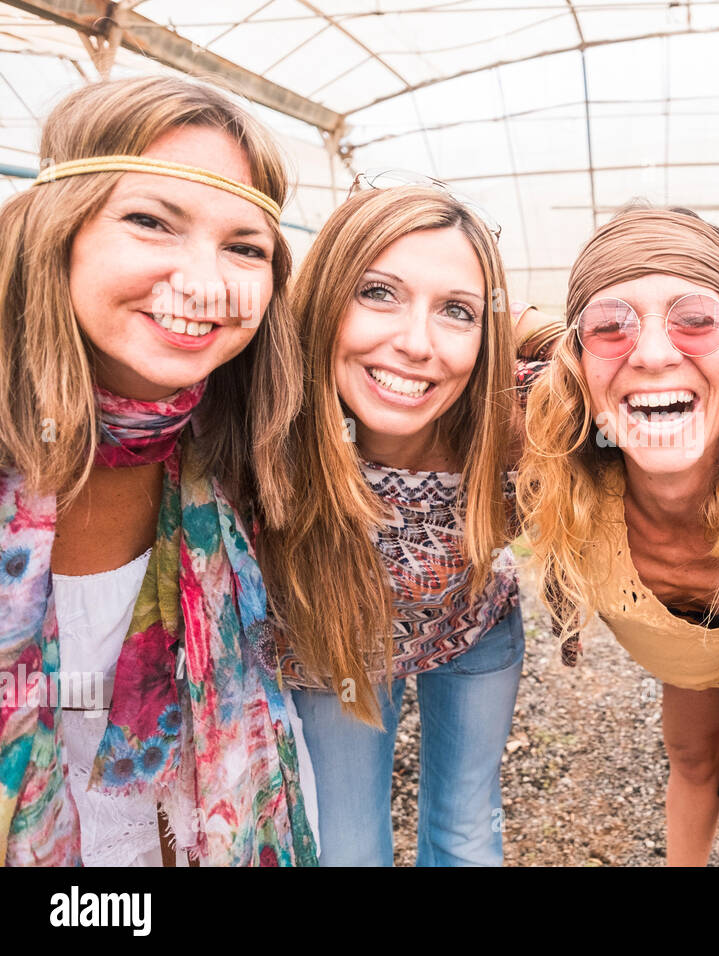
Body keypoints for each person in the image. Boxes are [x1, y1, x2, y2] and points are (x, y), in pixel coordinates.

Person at [0, 75, 317, 866]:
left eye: (244, 248)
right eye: (150, 222)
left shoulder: (257, 448)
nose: (206, 285)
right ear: (58, 230)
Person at [517, 205, 719, 866]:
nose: (652, 354)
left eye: (695, 319)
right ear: (575, 363)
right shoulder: (539, 446)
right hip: (698, 667)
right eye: (610, 326)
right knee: (693, 759)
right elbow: (460, 323)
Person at [261, 183, 523, 866]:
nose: (415, 344)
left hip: (474, 630)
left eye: (457, 310)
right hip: (332, 645)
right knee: (345, 848)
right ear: (324, 295)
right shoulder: (259, 422)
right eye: (378, 292)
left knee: (468, 833)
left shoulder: (512, 420)